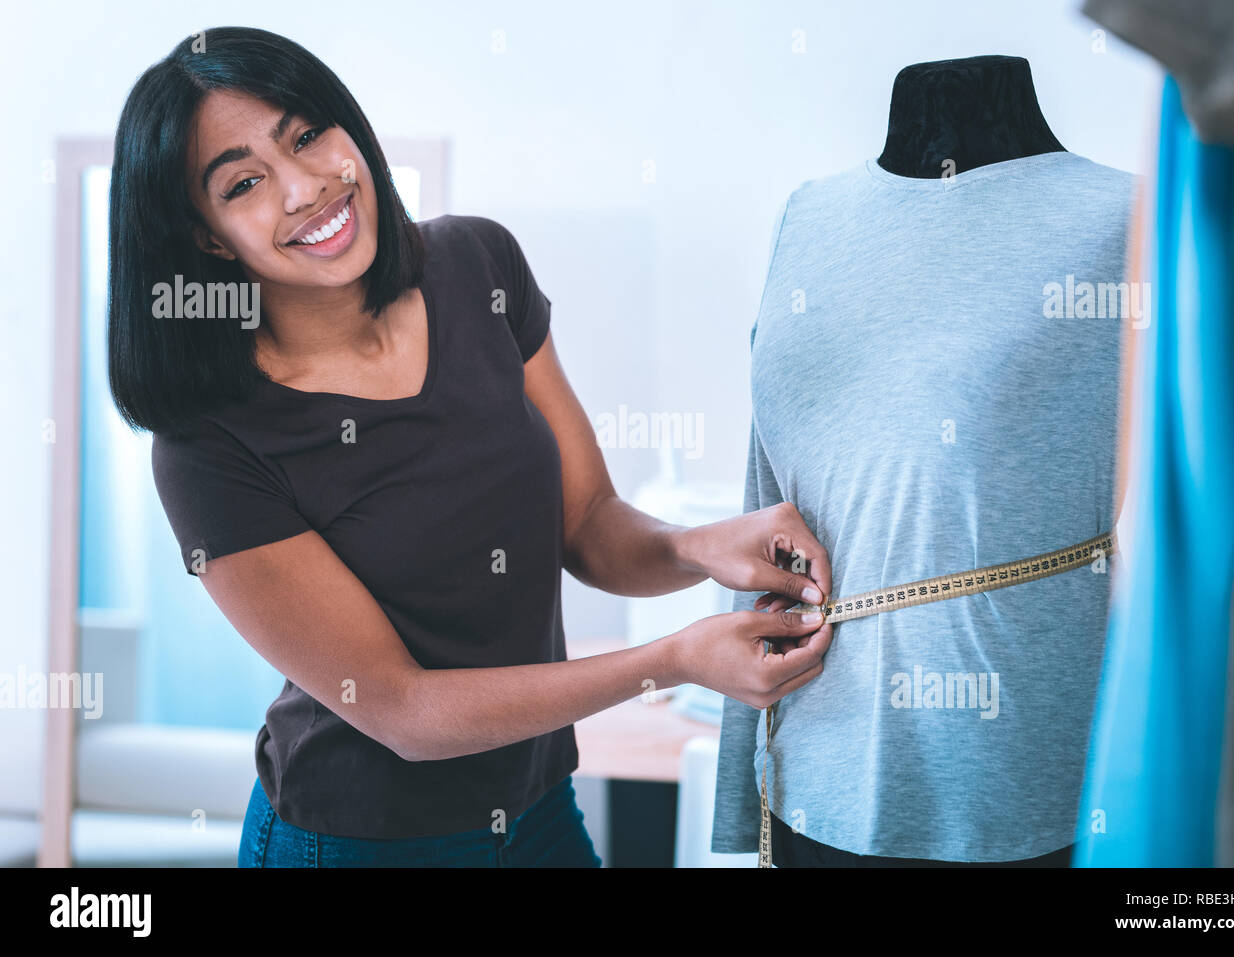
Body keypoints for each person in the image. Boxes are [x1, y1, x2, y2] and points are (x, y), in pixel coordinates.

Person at [107, 26, 832, 867]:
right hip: (355, 843)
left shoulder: (476, 265)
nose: (304, 187)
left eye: (306, 135)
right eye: (244, 183)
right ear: (206, 236)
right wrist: (672, 660)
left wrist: (701, 547)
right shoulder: (207, 445)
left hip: (536, 809)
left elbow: (589, 523)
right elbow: (403, 710)